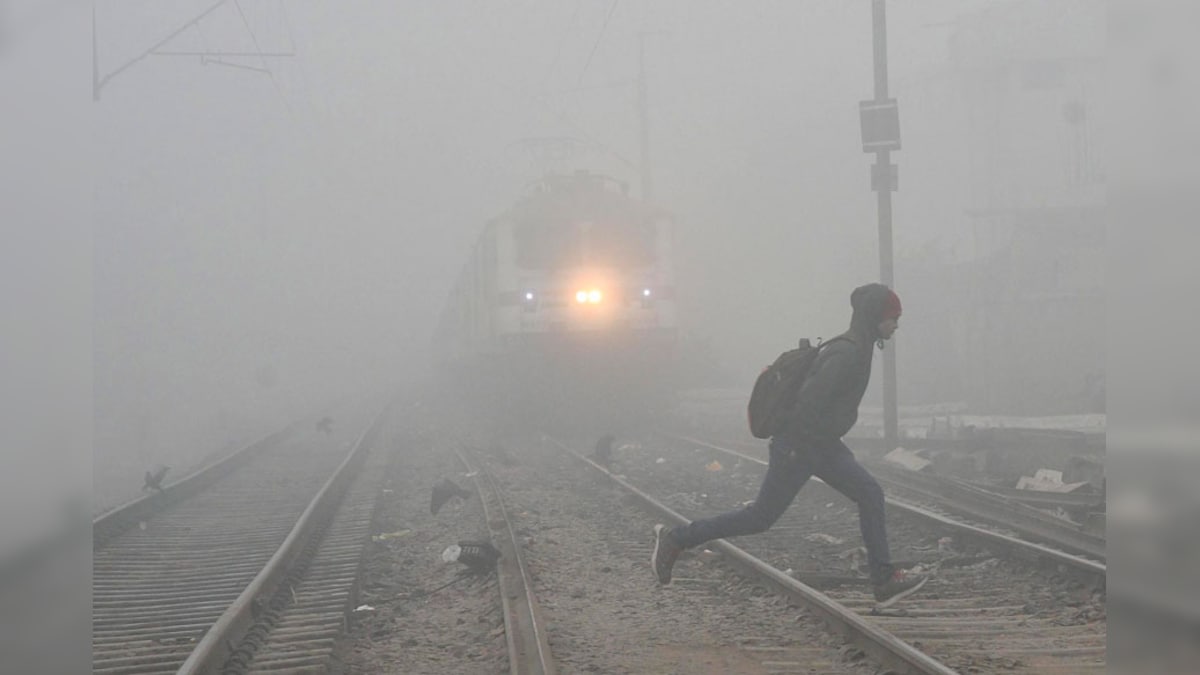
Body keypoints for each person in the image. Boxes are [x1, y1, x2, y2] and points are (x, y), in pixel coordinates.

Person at [651, 283, 927, 607]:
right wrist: (799, 448)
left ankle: (883, 580)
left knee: (869, 493)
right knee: (760, 518)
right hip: (801, 445)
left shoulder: (859, 347)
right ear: (874, 317)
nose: (896, 324)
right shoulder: (847, 352)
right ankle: (675, 540)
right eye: (893, 317)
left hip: (821, 445)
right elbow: (809, 402)